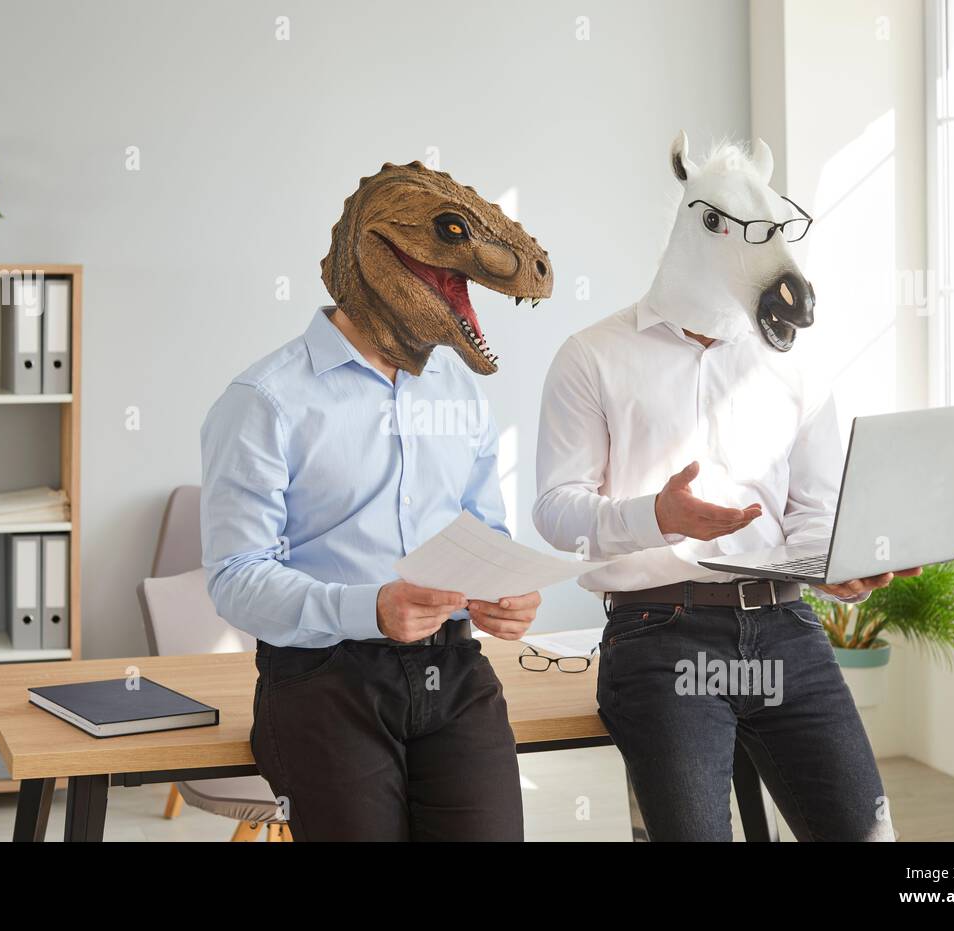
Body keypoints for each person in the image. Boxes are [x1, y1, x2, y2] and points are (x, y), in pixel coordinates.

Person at [532, 133, 915, 841]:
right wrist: (657, 515)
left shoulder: (794, 368)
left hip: (786, 628)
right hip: (658, 633)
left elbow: (815, 508)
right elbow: (555, 511)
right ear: (696, 225)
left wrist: (835, 567)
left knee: (869, 834)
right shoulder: (593, 355)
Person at [202, 161, 552, 841]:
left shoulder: (460, 395)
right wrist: (368, 608)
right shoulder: (264, 401)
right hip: (322, 678)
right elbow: (235, 576)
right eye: (447, 260)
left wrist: (503, 589)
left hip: (452, 670)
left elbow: (484, 527)